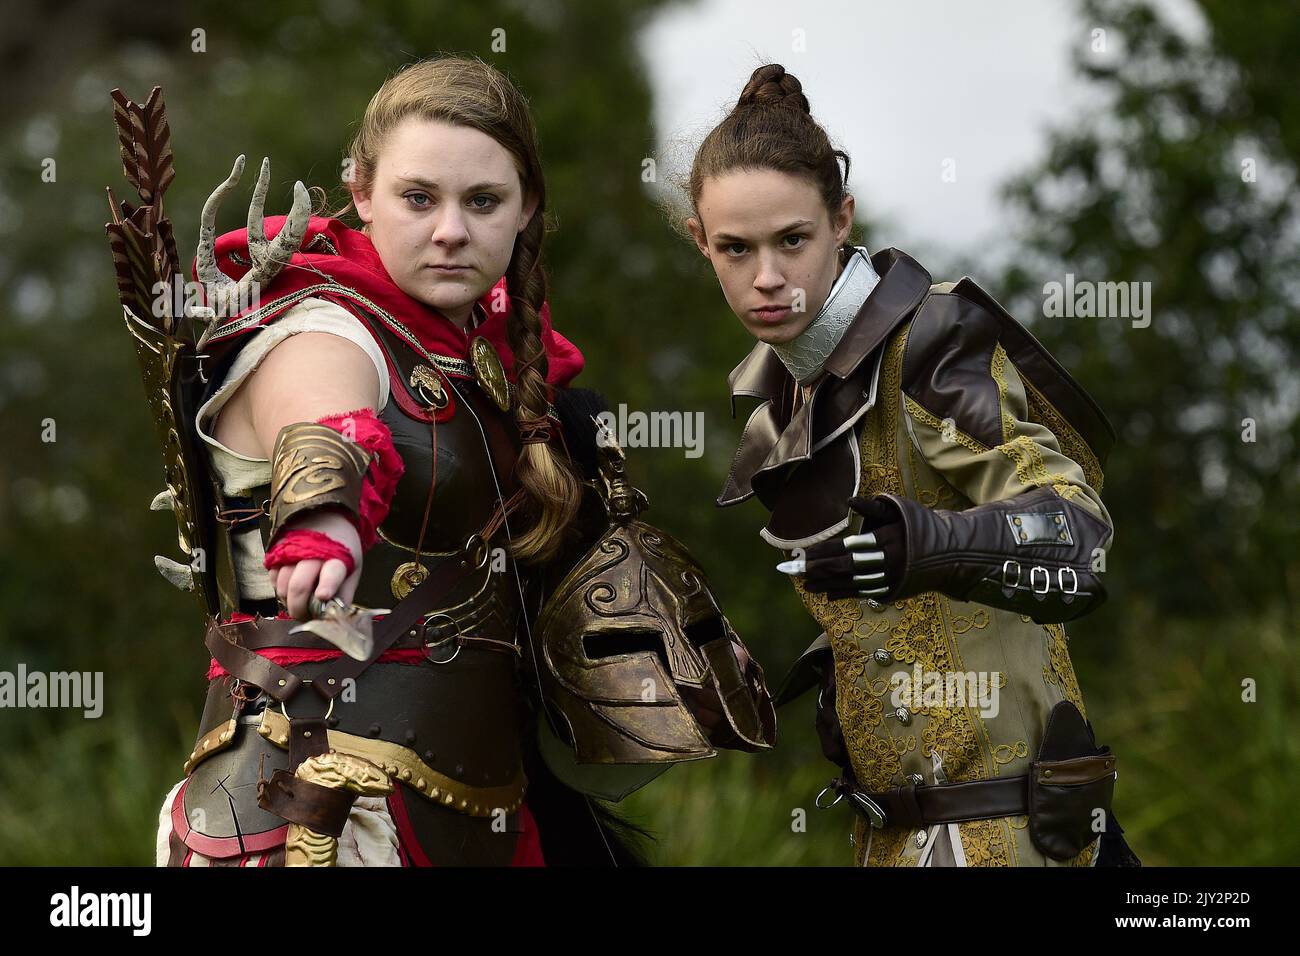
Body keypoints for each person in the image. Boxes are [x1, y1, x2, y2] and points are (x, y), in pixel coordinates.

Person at [106, 56, 771, 867]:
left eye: (482, 201)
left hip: (480, 807)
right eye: (418, 198)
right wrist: (324, 519)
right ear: (361, 192)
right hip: (314, 813)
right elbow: (325, 416)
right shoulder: (323, 320)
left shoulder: (488, 363)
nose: (450, 230)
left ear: (526, 208)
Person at [681, 63, 1136, 867]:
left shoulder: (928, 344)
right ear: (699, 242)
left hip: (1013, 835)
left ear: (842, 218)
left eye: (793, 239)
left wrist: (929, 545)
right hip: (888, 836)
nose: (767, 278)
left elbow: (1081, 533)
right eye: (734, 247)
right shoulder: (778, 397)